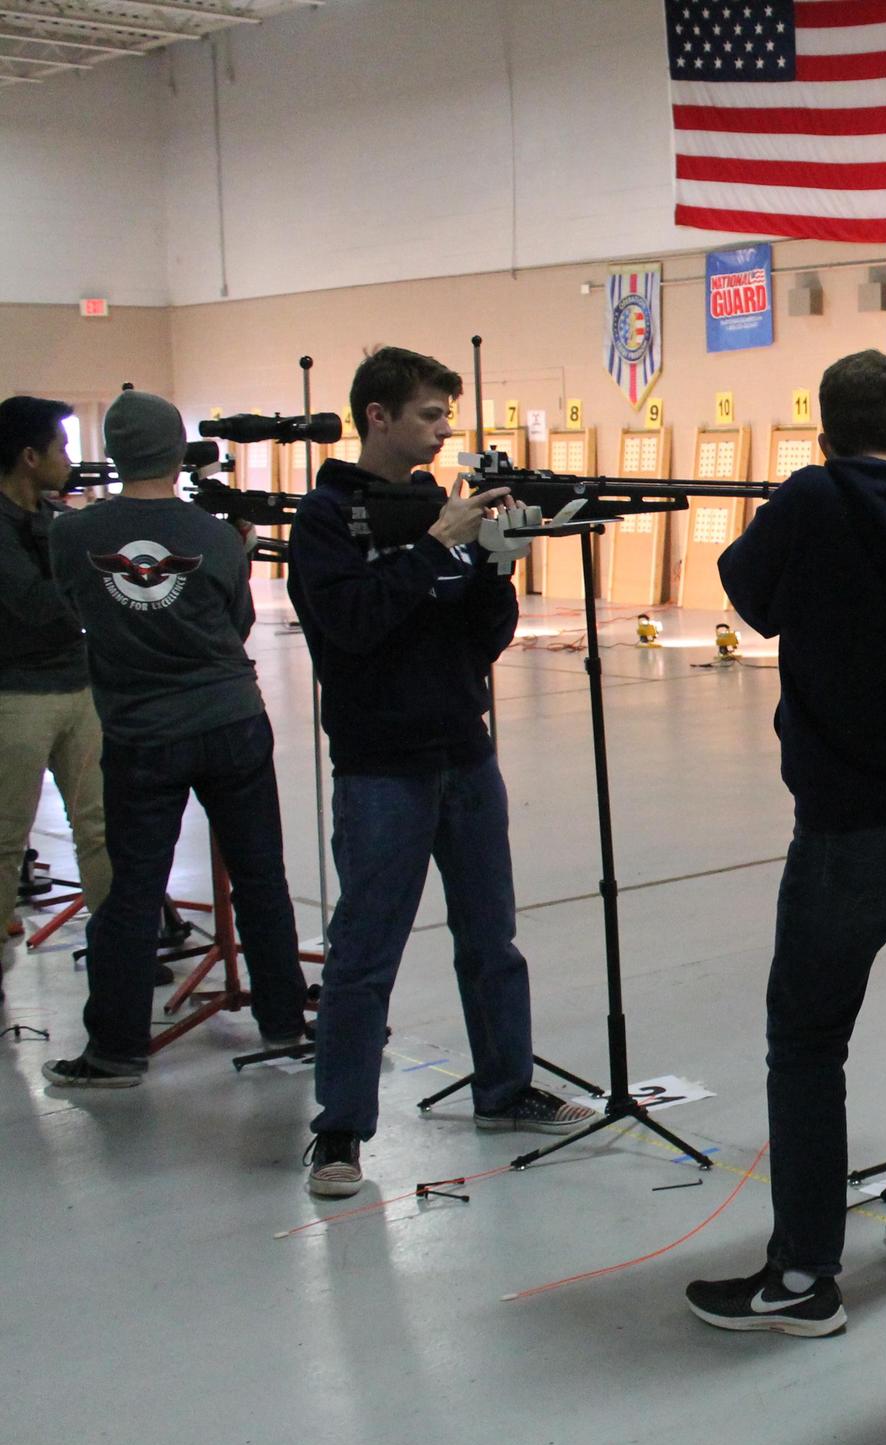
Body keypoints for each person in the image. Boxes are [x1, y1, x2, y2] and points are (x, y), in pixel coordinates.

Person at [685, 349, 886, 1338]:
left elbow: (747, 592)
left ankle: (802, 1276)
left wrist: (807, 493)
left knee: (807, 1041)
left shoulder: (815, 499)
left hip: (856, 814)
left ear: (823, 436)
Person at [286, 346, 586, 1199]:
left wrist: (498, 564)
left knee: (491, 936)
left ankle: (505, 1085)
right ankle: (339, 1129)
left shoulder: (433, 507)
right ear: (377, 416)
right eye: (427, 414)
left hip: (465, 750)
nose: (443, 429)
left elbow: (477, 639)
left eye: (446, 415)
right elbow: (349, 626)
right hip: (383, 763)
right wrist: (432, 549)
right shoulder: (327, 516)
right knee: (364, 950)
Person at [41, 391, 310, 1085]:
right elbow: (236, 623)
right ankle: (283, 1021)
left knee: (132, 892)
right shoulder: (216, 536)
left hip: (141, 731)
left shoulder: (72, 535)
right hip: (229, 720)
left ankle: (117, 1048)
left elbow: (77, 606)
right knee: (260, 879)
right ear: (175, 450)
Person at [1, 396, 110, 994]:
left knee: (98, 826)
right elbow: (40, 608)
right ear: (27, 457)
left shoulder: (51, 519)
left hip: (78, 688)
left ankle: (120, 946)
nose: (70, 459)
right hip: (14, 697)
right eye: (61, 448)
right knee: (4, 835)